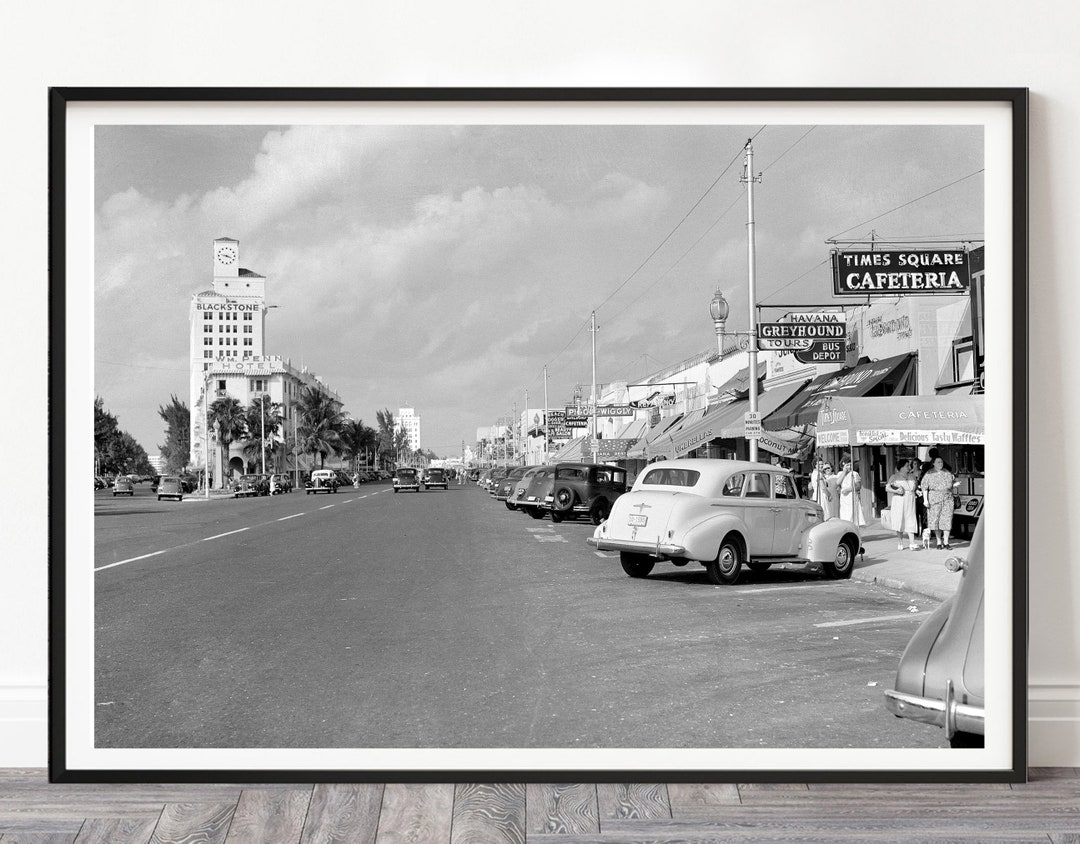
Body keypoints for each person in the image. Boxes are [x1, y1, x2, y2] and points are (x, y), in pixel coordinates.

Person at [920, 456, 960, 549]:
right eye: (938, 462)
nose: (940, 464)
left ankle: (946, 542)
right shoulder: (929, 473)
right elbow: (924, 487)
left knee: (947, 520)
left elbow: (950, 485)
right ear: (933, 463)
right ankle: (939, 542)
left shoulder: (947, 472)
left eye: (941, 462)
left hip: (947, 499)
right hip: (934, 499)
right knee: (936, 520)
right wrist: (925, 500)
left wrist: (955, 485)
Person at [886, 459, 919, 550]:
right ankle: (900, 541)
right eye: (907, 466)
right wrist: (896, 491)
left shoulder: (912, 476)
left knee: (911, 518)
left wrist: (916, 490)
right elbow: (887, 488)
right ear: (901, 467)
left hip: (910, 499)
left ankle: (912, 543)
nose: (909, 467)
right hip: (899, 500)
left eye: (909, 465)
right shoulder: (894, 477)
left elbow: (915, 487)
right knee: (899, 519)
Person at [836, 453, 866, 527]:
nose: (849, 467)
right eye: (847, 465)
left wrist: (849, 489)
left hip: (852, 496)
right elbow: (837, 483)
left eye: (850, 465)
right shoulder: (840, 474)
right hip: (844, 497)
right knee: (844, 514)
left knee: (852, 514)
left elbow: (858, 486)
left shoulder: (854, 474)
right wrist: (844, 472)